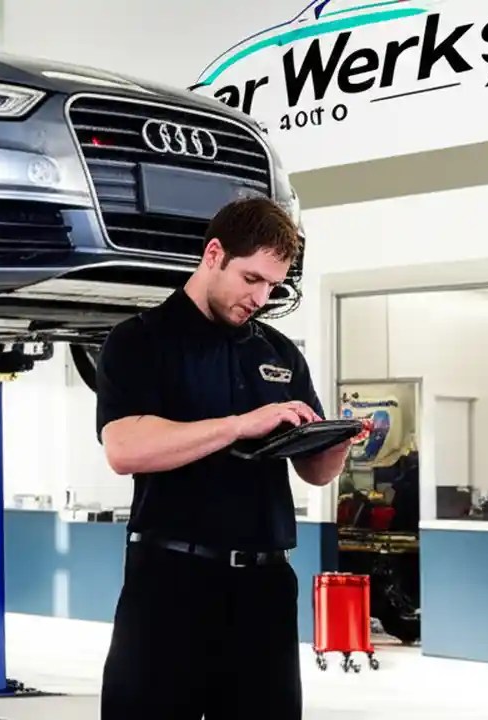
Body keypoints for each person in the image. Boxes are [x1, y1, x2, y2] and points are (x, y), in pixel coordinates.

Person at [95, 196, 351, 719]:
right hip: (171, 583)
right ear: (214, 254)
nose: (260, 297)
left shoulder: (279, 353)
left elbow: (315, 473)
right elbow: (124, 449)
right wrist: (238, 425)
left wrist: (337, 443)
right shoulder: (140, 340)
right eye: (251, 279)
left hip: (264, 589)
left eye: (273, 286)